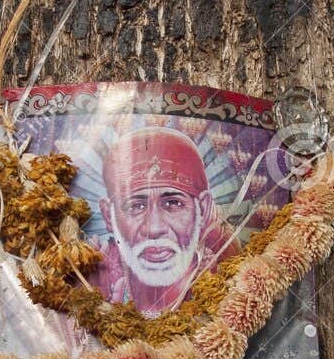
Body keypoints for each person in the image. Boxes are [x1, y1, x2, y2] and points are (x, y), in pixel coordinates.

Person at [94, 126, 239, 315]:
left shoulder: (233, 288)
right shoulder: (95, 285)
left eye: (173, 203)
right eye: (135, 206)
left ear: (202, 209)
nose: (154, 229)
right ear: (108, 215)